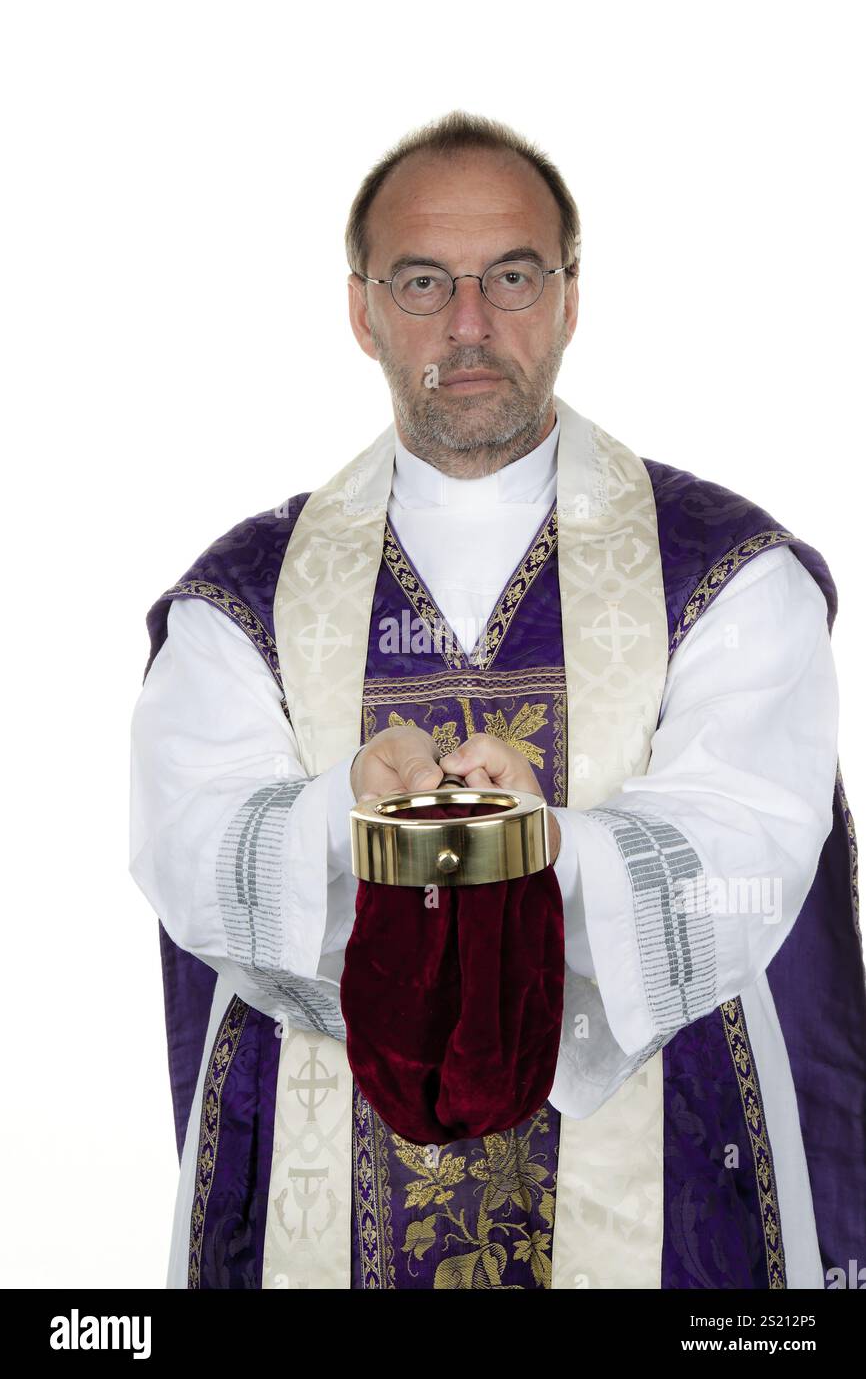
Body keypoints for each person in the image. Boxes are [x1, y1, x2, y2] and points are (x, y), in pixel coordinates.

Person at [129, 110, 865, 1290]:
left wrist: (550, 846)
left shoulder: (726, 573)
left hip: (664, 1193)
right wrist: (342, 818)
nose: (468, 324)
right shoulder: (246, 597)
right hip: (320, 1214)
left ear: (570, 296)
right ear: (360, 307)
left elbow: (755, 846)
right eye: (422, 281)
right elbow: (183, 843)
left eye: (510, 275)